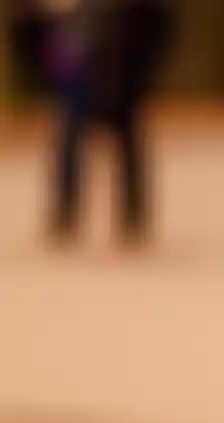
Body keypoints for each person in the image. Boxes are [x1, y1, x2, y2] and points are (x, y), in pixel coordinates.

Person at [45, 0, 172, 247]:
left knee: (122, 137)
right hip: (85, 75)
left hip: (121, 72)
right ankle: (67, 210)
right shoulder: (78, 12)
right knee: (74, 136)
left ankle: (131, 213)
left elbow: (157, 30)